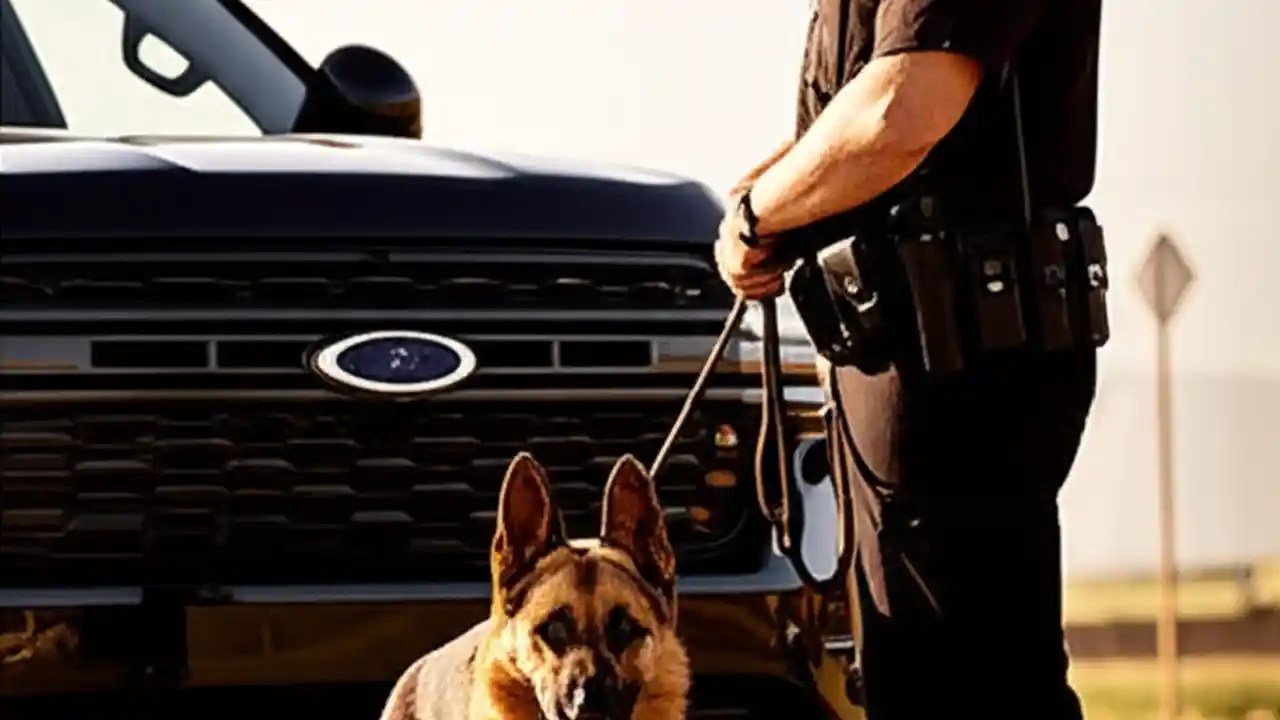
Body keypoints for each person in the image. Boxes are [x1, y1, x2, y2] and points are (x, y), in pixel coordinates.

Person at [713, 2, 1105, 718]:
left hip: (959, 366)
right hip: (929, 354)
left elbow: (903, 105)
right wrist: (773, 192)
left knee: (968, 689)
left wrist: (755, 217)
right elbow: (862, 111)